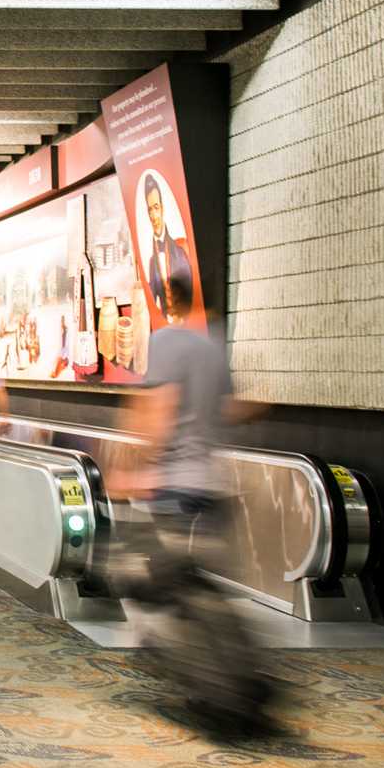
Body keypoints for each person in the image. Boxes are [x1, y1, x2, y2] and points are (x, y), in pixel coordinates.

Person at [105, 268, 273, 736]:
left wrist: (134, 470)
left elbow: (158, 413)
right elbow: (225, 411)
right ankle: (243, 682)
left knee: (159, 586)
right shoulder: (212, 347)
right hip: (209, 488)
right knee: (197, 588)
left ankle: (218, 694)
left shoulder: (167, 342)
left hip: (173, 488)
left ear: (168, 299)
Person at [142, 174, 194, 323]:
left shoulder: (181, 250)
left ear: (162, 209)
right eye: (149, 209)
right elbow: (151, 304)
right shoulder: (152, 262)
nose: (153, 215)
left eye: (156, 208)